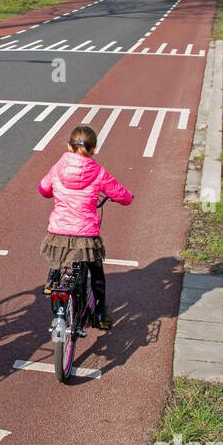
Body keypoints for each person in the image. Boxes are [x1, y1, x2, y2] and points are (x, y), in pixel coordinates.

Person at [37, 124, 132, 331]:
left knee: (61, 254)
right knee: (96, 272)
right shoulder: (97, 171)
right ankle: (99, 315)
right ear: (93, 149)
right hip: (86, 234)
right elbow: (121, 195)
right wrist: (128, 197)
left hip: (58, 231)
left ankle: (52, 279)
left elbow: (44, 189)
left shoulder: (58, 167)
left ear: (69, 146)